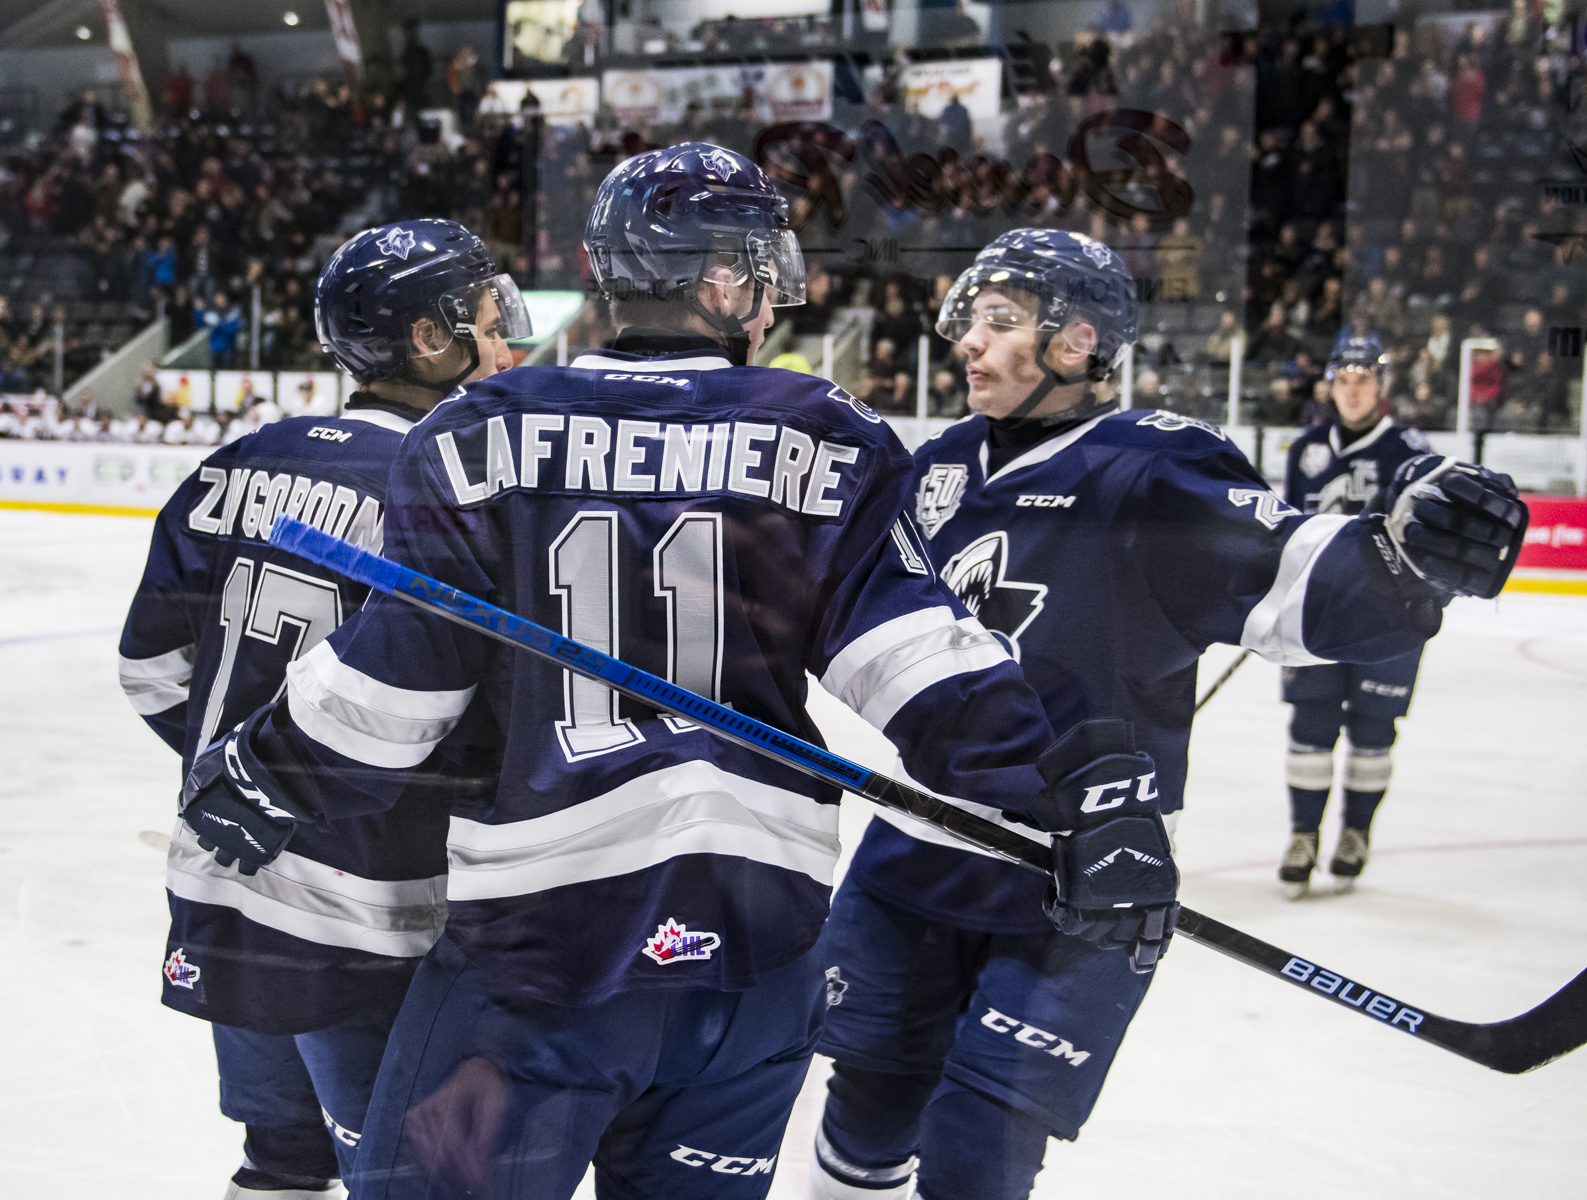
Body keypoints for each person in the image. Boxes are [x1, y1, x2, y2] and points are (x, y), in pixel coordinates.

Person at [173, 146, 1175, 1200]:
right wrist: (1079, 803)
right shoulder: (822, 432)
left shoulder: (481, 428)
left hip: (538, 955)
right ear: (723, 281)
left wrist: (270, 770)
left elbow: (395, 690)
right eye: (760, 264)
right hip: (751, 960)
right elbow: (924, 671)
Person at [808, 229, 1526, 1200]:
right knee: (863, 1122)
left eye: (1001, 321)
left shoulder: (1150, 470)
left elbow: (1299, 575)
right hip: (912, 854)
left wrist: (1405, 560)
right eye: (970, 321)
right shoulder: (938, 465)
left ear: (1076, 343)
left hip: (1088, 874)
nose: (969, 343)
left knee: (978, 1153)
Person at [117, 219, 527, 1200]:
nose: (507, 342)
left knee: (279, 1163)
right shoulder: (452, 488)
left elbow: (152, 670)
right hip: (367, 910)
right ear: (432, 341)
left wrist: (247, 774)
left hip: (223, 886)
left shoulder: (235, 464)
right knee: (416, 1178)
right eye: (486, 318)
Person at [1275, 333, 1434, 896]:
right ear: (1331, 385)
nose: (1352, 390)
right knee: (1310, 725)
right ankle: (1302, 835)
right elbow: (1288, 531)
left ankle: (1355, 834)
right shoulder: (1306, 449)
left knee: (1373, 729)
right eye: (1344, 380)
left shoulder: (1410, 453)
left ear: (1380, 388)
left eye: (1363, 380)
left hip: (1388, 620)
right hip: (1316, 613)